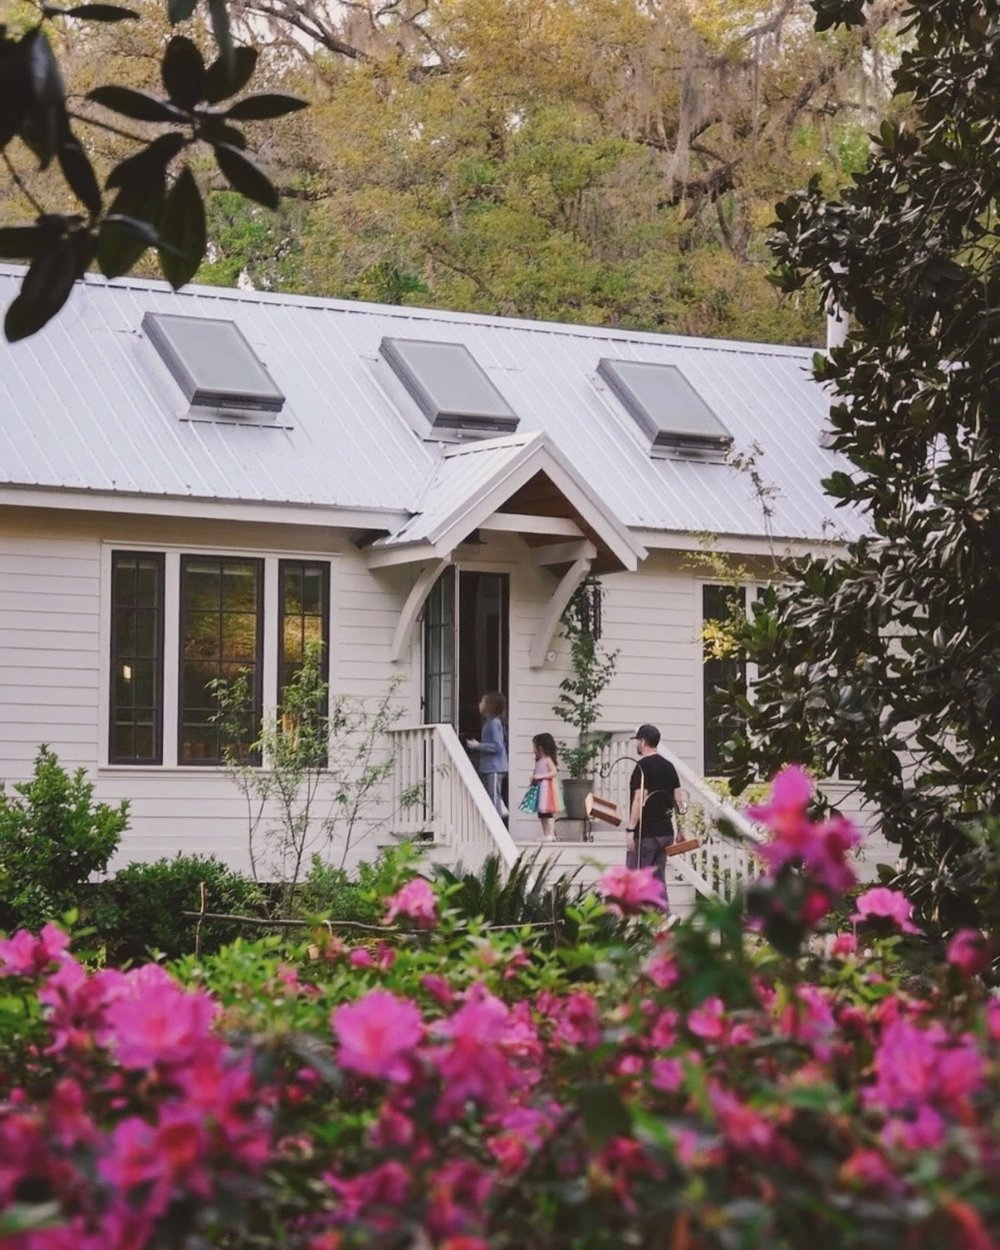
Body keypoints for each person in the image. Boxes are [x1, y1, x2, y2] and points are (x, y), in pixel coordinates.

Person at [625, 723, 685, 889]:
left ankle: (633, 913)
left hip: (646, 833)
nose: (637, 744)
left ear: (643, 741)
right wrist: (680, 830)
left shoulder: (642, 767)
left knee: (635, 878)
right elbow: (679, 800)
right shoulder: (669, 767)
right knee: (658, 880)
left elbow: (639, 799)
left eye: (638, 740)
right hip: (665, 833)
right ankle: (664, 913)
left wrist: (630, 830)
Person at [465, 692, 509, 818]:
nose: (479, 704)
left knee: (493, 796)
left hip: (494, 767)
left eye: (482, 702)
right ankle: (501, 809)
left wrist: (477, 745)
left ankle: (497, 826)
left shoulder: (494, 723)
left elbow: (497, 746)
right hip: (488, 767)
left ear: (490, 706)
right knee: (492, 795)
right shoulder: (489, 722)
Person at [530, 732, 564, 842]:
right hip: (540, 788)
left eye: (534, 746)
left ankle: (551, 834)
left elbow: (553, 772)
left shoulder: (548, 760)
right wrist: (533, 778)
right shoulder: (538, 761)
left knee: (548, 812)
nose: (533, 749)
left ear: (540, 747)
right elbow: (535, 771)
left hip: (547, 788)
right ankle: (546, 834)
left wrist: (541, 776)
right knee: (542, 813)